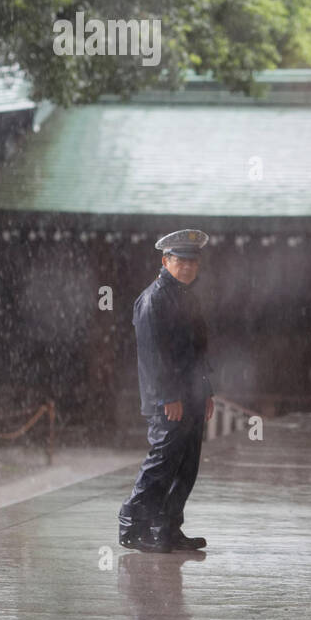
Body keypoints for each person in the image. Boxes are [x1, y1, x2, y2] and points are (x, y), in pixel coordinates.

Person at [118, 229, 214, 553]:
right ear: (165, 261)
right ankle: (132, 525)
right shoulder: (153, 299)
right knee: (161, 463)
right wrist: (167, 396)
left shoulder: (189, 297)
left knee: (186, 466)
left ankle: (167, 529)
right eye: (180, 261)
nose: (187, 267)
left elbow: (199, 350)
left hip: (193, 395)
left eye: (192, 262)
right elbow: (152, 355)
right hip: (170, 399)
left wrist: (207, 390)